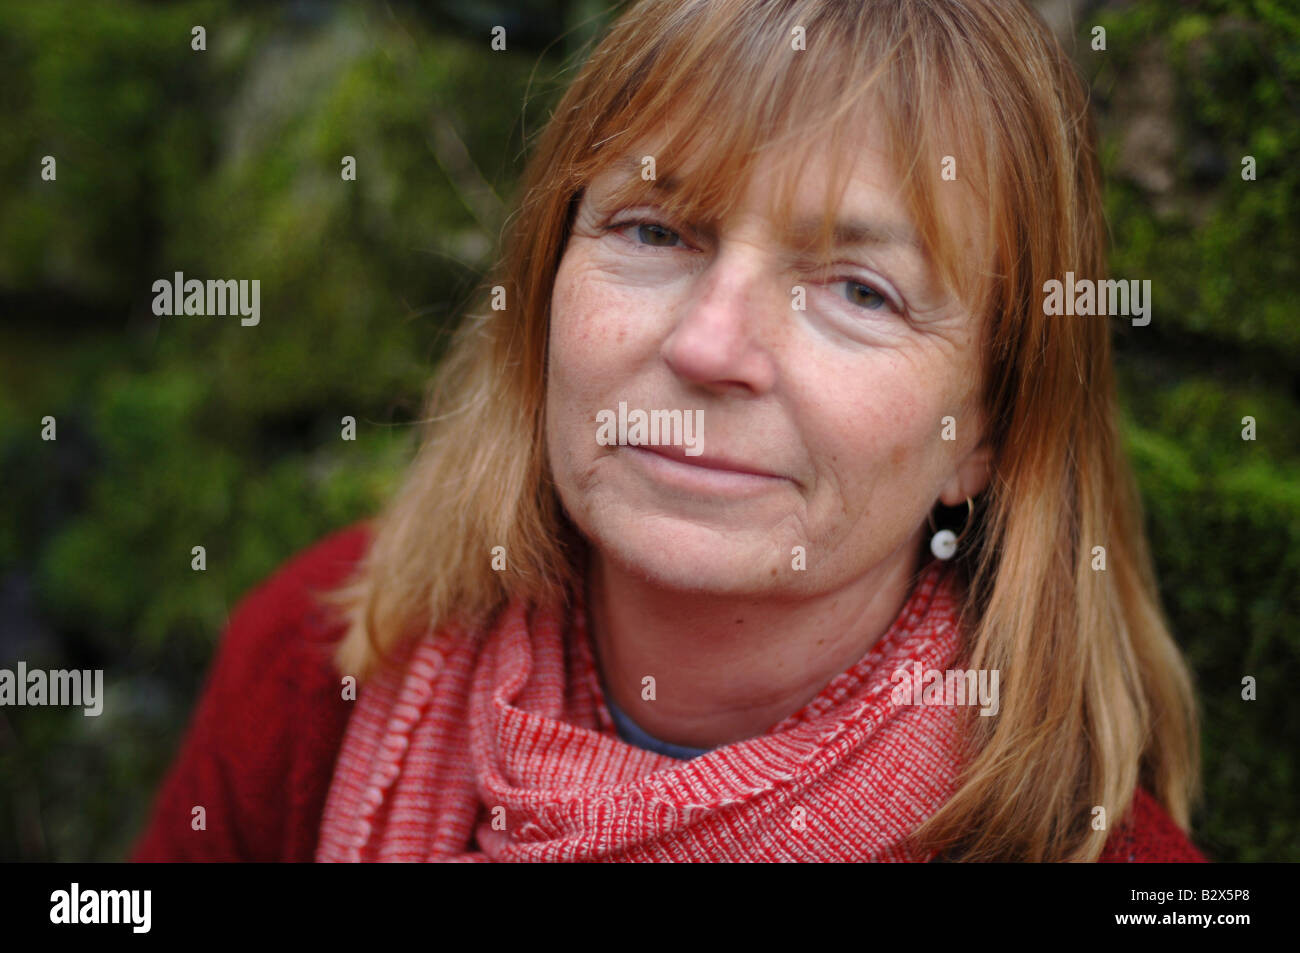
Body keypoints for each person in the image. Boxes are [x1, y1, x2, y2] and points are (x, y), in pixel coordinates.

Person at [133, 0, 1205, 863]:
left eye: (860, 291)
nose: (709, 343)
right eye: (654, 229)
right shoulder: (321, 668)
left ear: (986, 431)